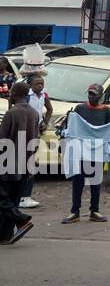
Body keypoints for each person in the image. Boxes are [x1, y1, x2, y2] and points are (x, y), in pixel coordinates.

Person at [61, 83, 110, 224]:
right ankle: (75, 212)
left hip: (97, 150)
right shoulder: (80, 108)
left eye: (94, 94)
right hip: (80, 149)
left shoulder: (106, 111)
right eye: (90, 93)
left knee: (95, 181)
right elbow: (73, 127)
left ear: (101, 95)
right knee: (77, 181)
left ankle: (94, 211)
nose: (91, 96)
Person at [0, 81, 38, 245]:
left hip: (8, 163)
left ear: (14, 94)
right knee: (12, 199)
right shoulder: (34, 113)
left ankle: (22, 220)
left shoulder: (12, 113)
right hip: (26, 162)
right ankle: (5, 234)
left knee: (3, 199)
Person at [18, 73, 50, 209]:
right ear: (30, 85)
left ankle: (24, 196)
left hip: (35, 133)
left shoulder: (43, 95)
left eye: (42, 83)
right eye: (37, 83)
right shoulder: (26, 96)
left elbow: (50, 109)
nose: (40, 85)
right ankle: (22, 196)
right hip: (24, 133)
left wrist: (45, 122)